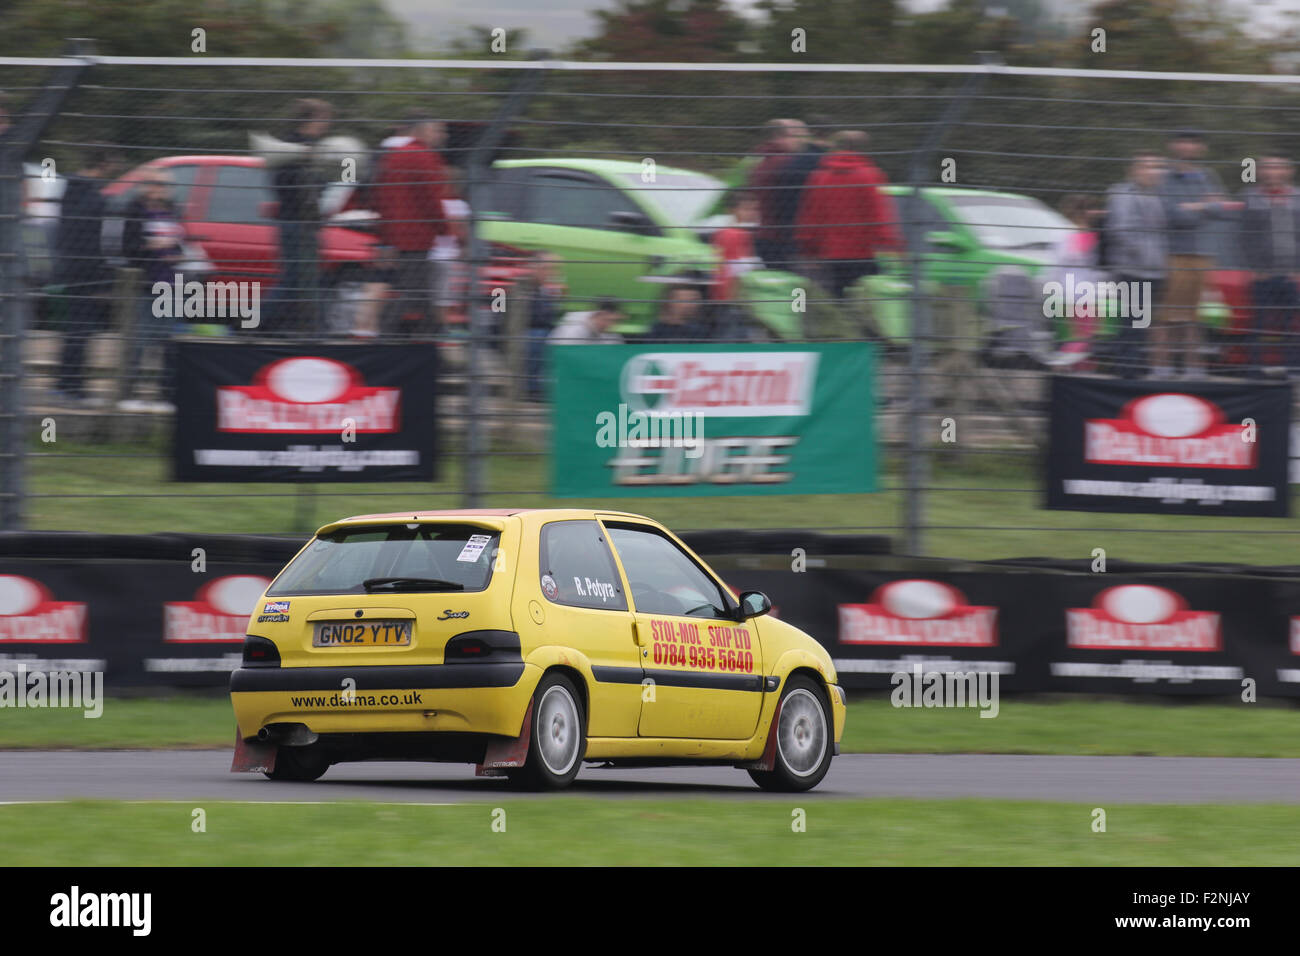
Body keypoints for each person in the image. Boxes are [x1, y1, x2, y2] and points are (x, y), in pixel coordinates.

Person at [1158, 130, 1240, 378]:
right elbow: (1174, 215)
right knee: (1169, 315)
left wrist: (1197, 206)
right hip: (1175, 254)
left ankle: (1193, 370)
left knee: (1194, 316)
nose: (1188, 147)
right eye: (1183, 141)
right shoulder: (1165, 178)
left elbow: (1225, 209)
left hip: (1203, 254)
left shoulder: (1208, 176)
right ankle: (1162, 368)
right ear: (1173, 145)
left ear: (1201, 148)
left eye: (1193, 142)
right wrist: (1206, 206)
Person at [795, 129, 902, 299]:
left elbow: (811, 215)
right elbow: (879, 213)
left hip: (830, 252)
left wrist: (808, 248)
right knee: (867, 300)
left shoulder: (820, 177)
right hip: (862, 252)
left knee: (837, 297)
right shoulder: (870, 175)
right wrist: (891, 245)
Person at [257, 98, 332, 333]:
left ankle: (311, 331)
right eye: (324, 119)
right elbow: (294, 187)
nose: (327, 124)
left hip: (298, 222)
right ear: (311, 120)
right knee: (297, 281)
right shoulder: (296, 149)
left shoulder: (301, 147)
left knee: (303, 281)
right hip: (299, 223)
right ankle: (257, 322)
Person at [52, 147, 119, 405]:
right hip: (87, 271)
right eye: (112, 164)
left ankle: (65, 383)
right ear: (103, 164)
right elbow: (96, 241)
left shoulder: (70, 188)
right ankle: (72, 387)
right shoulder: (94, 197)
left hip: (70, 266)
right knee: (81, 330)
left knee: (74, 329)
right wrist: (102, 276)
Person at [371, 114, 448, 338]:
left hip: (395, 233)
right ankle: (386, 335)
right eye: (437, 131)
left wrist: (384, 233)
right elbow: (432, 198)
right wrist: (444, 229)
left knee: (418, 290)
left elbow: (379, 195)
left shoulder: (393, 157)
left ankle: (432, 338)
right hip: (418, 235)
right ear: (421, 131)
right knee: (414, 291)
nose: (442, 136)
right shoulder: (425, 158)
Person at [120, 167, 186, 403]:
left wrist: (176, 253)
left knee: (168, 341)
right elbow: (128, 249)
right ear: (144, 186)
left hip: (170, 283)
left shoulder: (172, 212)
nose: (159, 189)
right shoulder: (135, 211)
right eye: (154, 183)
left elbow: (178, 244)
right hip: (146, 283)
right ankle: (128, 393)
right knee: (139, 341)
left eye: (164, 185)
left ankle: (166, 394)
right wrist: (154, 246)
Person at [1103, 153, 1169, 379]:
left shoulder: (1158, 196)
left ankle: (1133, 363)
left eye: (1158, 167)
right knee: (1130, 319)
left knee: (1142, 321)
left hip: (1154, 271)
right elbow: (1119, 230)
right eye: (1149, 167)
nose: (1154, 172)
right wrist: (1143, 254)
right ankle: (1125, 367)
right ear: (1135, 170)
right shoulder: (1122, 193)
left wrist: (1159, 261)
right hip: (1131, 268)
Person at [1239, 154, 1300, 376]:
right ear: (1261, 172)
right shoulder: (1251, 197)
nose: (1273, 173)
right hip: (1262, 275)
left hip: (1291, 274)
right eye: (1268, 168)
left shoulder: (1297, 197)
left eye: (1278, 168)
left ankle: (1292, 370)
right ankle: (1254, 368)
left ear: (1287, 171)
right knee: (1258, 322)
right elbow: (1245, 237)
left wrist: (1297, 269)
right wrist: (1256, 268)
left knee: (1292, 324)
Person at [746, 118, 802, 269]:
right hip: (785, 237)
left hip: (765, 233)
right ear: (779, 137)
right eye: (793, 136)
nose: (798, 141)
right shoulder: (786, 163)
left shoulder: (758, 162)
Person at [525, 252, 566, 400]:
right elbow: (499, 308)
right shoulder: (518, 285)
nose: (551, 273)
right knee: (539, 336)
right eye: (547, 268)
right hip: (525, 332)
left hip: (541, 330)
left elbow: (549, 316)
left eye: (554, 269)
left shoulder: (545, 289)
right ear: (534, 268)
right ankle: (532, 387)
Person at [549, 299, 625, 344]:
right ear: (597, 315)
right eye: (609, 320)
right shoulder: (573, 330)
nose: (612, 324)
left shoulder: (610, 334)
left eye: (616, 321)